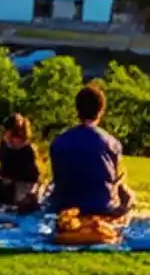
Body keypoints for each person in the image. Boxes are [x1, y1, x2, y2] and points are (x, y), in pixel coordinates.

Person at [48, 84, 135, 218]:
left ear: (77, 110)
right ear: (101, 111)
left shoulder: (58, 142)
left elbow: (58, 179)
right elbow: (117, 182)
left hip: (65, 209)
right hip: (103, 210)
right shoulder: (112, 143)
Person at [0, 113, 42, 212]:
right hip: (16, 189)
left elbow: (38, 176)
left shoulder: (27, 150)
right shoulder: (6, 147)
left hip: (20, 190)